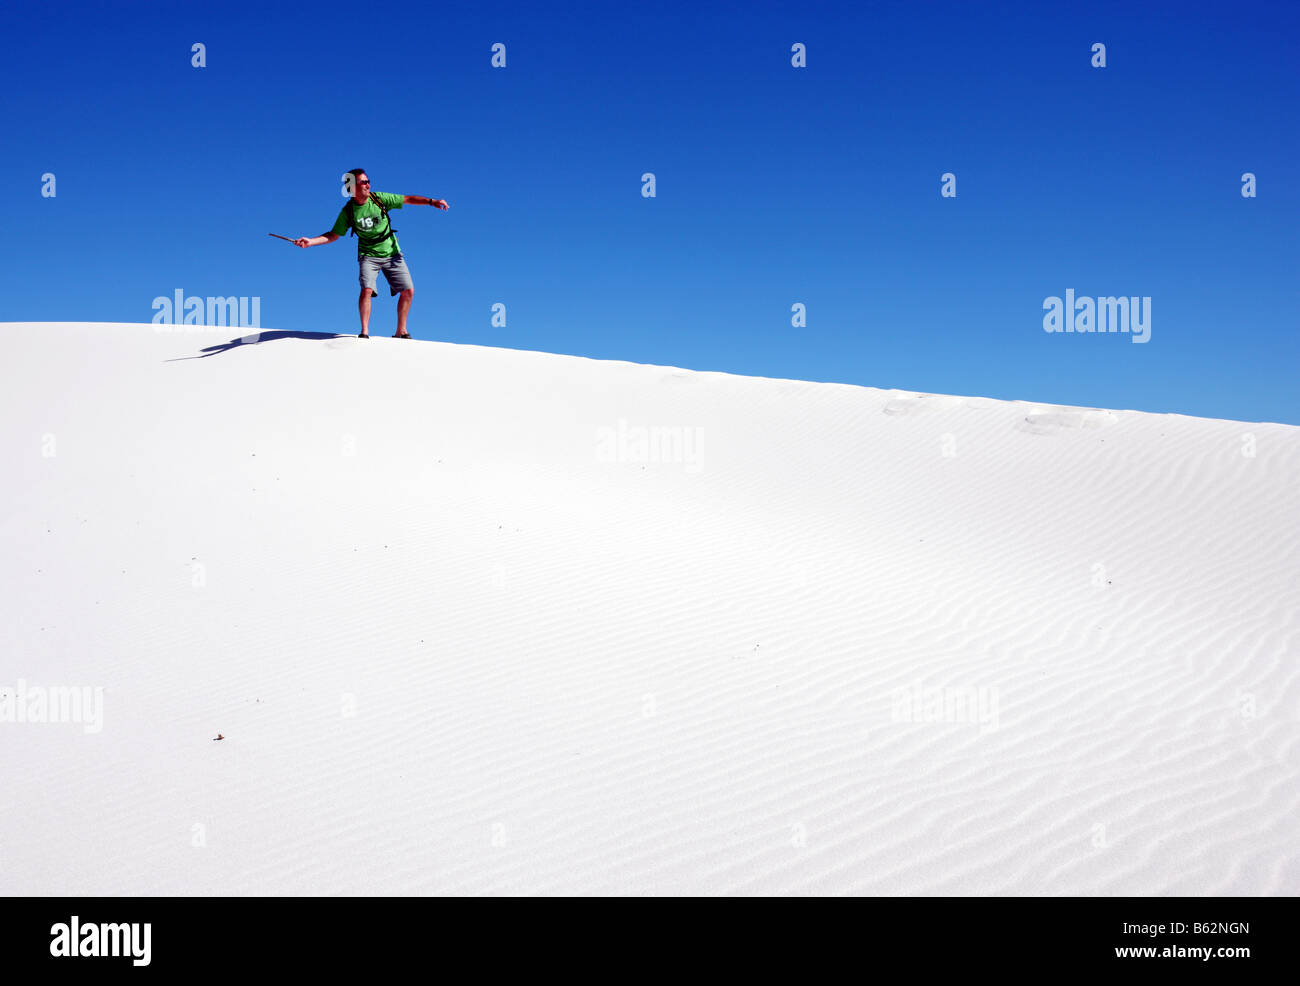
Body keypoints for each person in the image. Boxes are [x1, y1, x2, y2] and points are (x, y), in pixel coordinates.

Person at [294, 169, 449, 338]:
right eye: (363, 182)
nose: (368, 185)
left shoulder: (378, 198)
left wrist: (431, 202)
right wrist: (311, 241)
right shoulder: (349, 211)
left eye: (368, 181)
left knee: (408, 291)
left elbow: (407, 199)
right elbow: (334, 235)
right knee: (367, 289)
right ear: (352, 187)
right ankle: (364, 332)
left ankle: (401, 331)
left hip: (392, 252)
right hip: (368, 255)